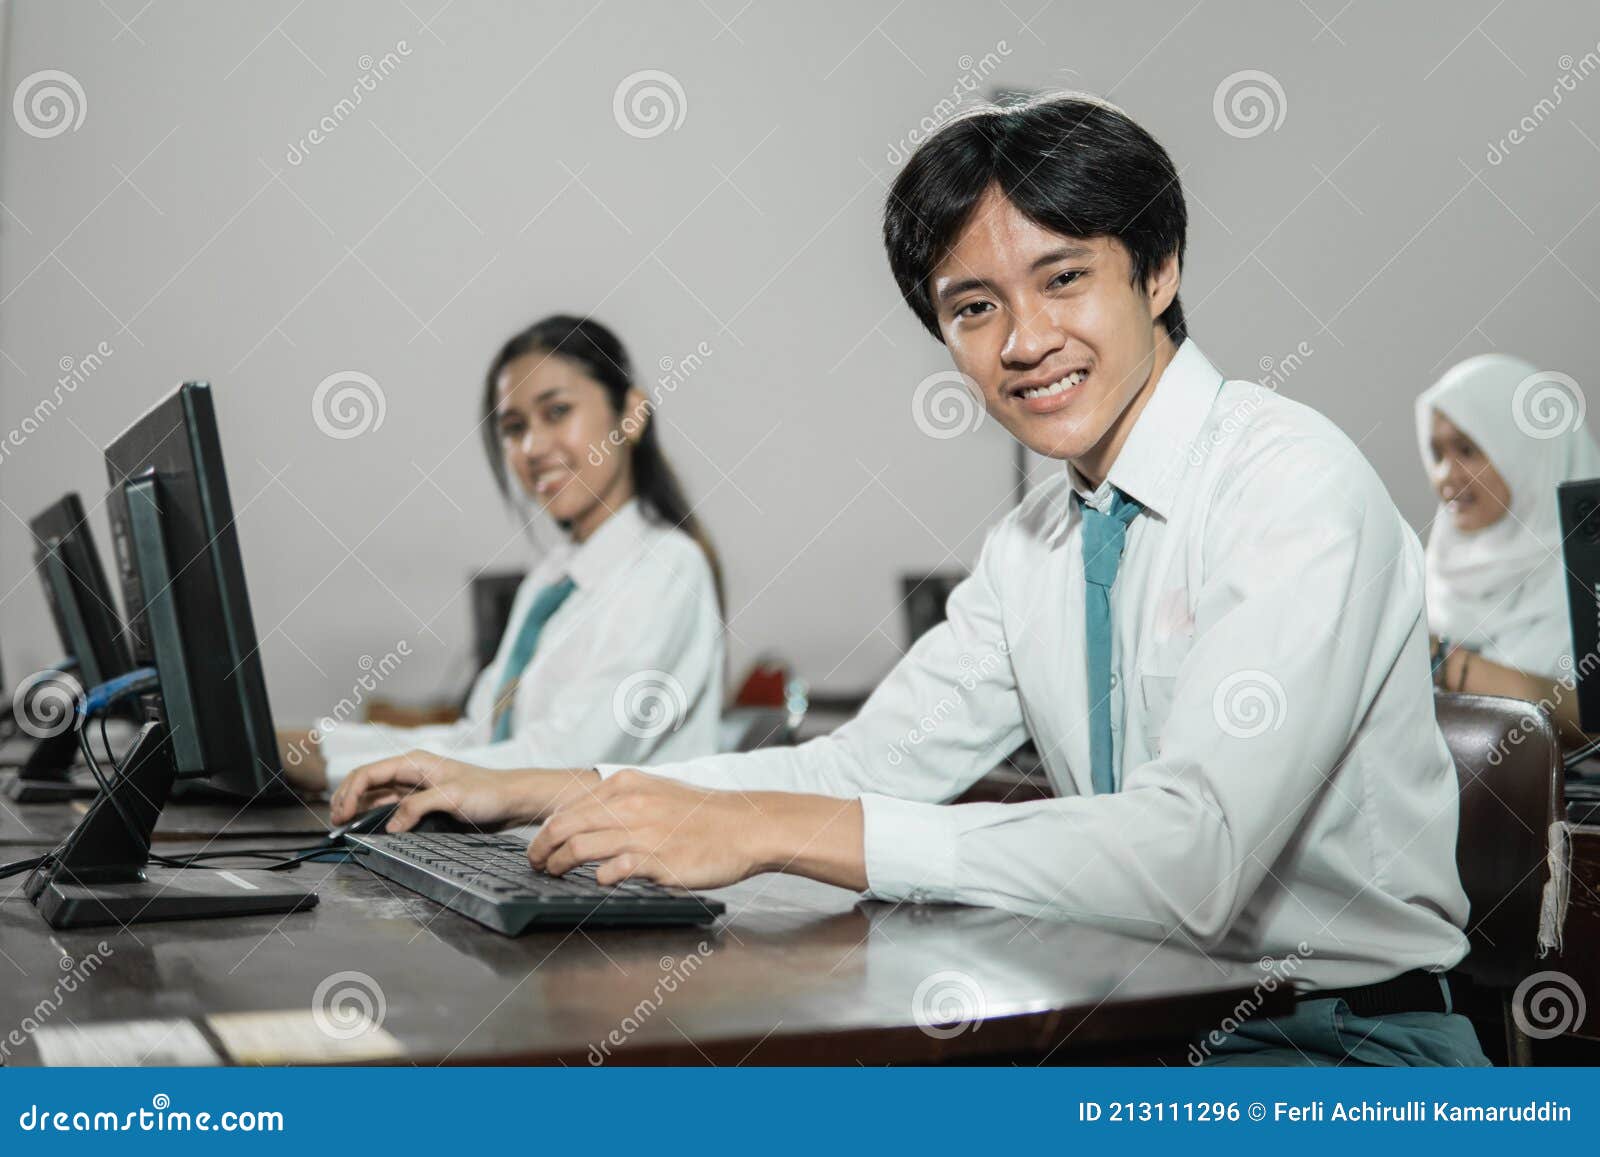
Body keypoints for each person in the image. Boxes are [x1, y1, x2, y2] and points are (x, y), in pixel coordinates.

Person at [332, 94, 1486, 1065]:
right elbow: (861, 766)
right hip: (1131, 1022)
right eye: (973, 308)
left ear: (1158, 270)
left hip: (1337, 1045)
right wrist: (528, 788)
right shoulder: (1035, 540)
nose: (1022, 340)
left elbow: (1194, 858)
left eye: (1063, 278)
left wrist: (771, 828)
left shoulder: (1289, 484)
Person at [280, 314, 725, 791]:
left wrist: (334, 769)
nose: (531, 447)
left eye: (557, 411)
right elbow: (477, 743)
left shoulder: (668, 568)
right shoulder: (549, 582)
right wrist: (315, 747)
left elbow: (562, 764)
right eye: (514, 428)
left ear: (632, 414)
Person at [1418, 354, 1600, 749]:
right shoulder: (1435, 570)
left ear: (1530, 452)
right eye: (1437, 454)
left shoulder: (1589, 572)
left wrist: (1436, 659)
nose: (1445, 476)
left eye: (1467, 450)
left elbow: (1589, 721)